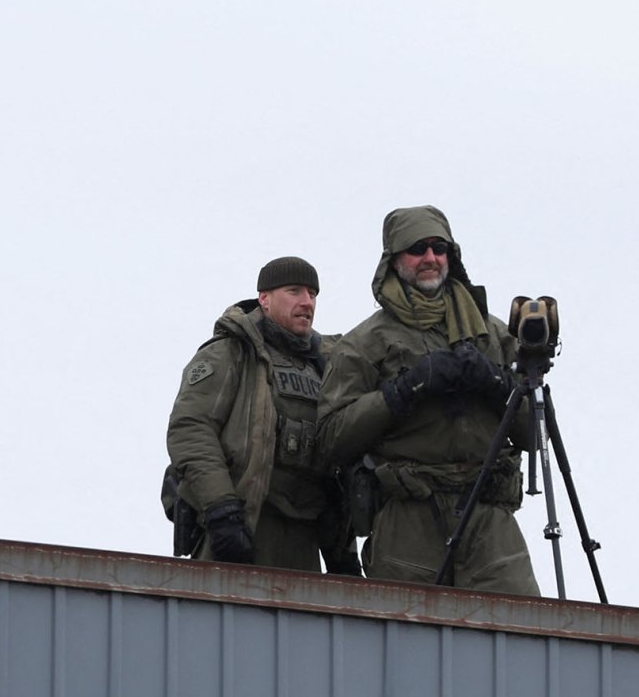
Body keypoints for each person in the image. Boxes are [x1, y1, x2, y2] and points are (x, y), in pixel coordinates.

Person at [319, 205, 540, 593]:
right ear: (393, 260)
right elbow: (330, 440)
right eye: (417, 248)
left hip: (489, 520)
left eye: (440, 248)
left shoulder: (493, 334)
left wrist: (496, 383)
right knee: (410, 643)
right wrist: (404, 390)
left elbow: (534, 436)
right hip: (409, 521)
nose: (430, 259)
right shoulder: (364, 343)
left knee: (520, 637)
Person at [165, 256, 354, 573]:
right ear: (264, 299)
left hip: (306, 535)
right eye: (294, 291)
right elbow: (191, 430)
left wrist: (343, 547)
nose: (306, 302)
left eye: (312, 294)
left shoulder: (326, 365)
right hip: (242, 525)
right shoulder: (232, 352)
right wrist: (221, 508)